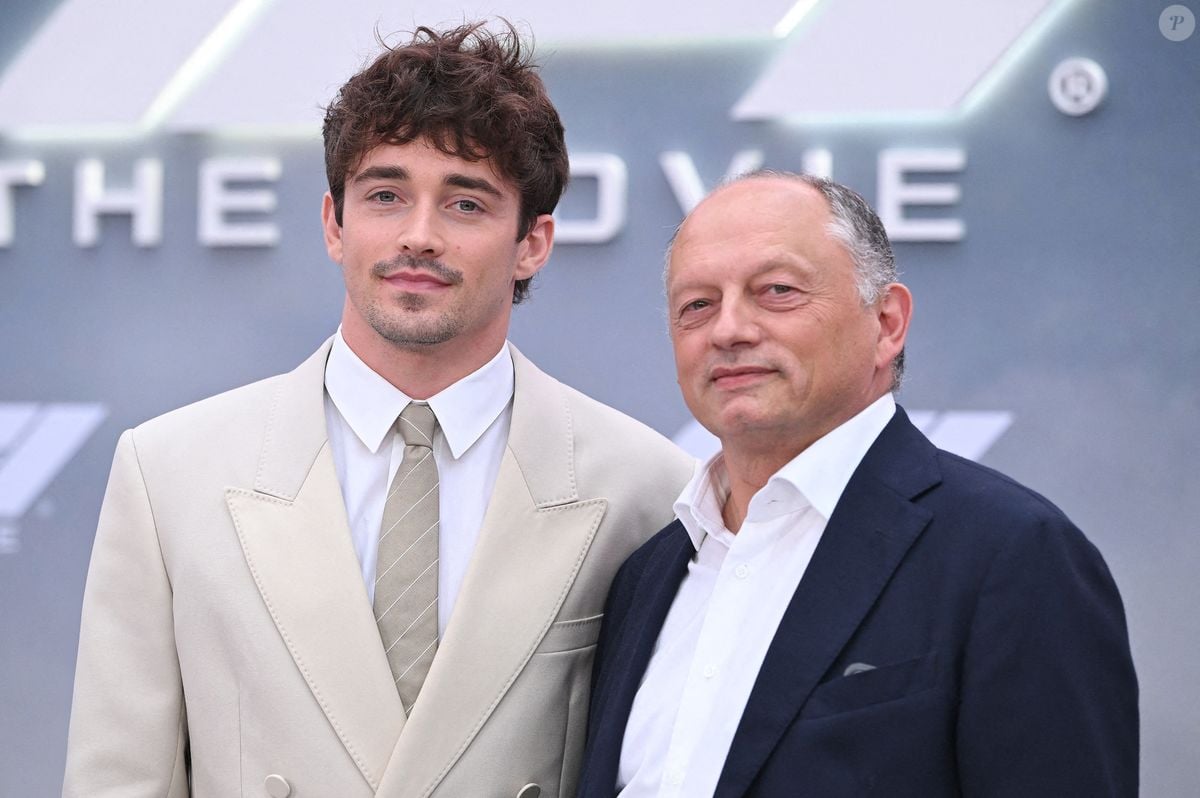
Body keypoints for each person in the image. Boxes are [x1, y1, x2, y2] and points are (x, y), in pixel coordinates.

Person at [62, 22, 693, 798]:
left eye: (466, 203)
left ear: (532, 243)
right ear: (334, 223)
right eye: (386, 196)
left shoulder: (649, 490)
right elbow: (118, 780)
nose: (418, 237)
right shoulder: (169, 475)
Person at [578, 172, 1138, 797]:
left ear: (888, 322)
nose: (728, 329)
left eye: (777, 291)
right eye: (697, 305)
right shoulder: (643, 576)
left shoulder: (1012, 556)